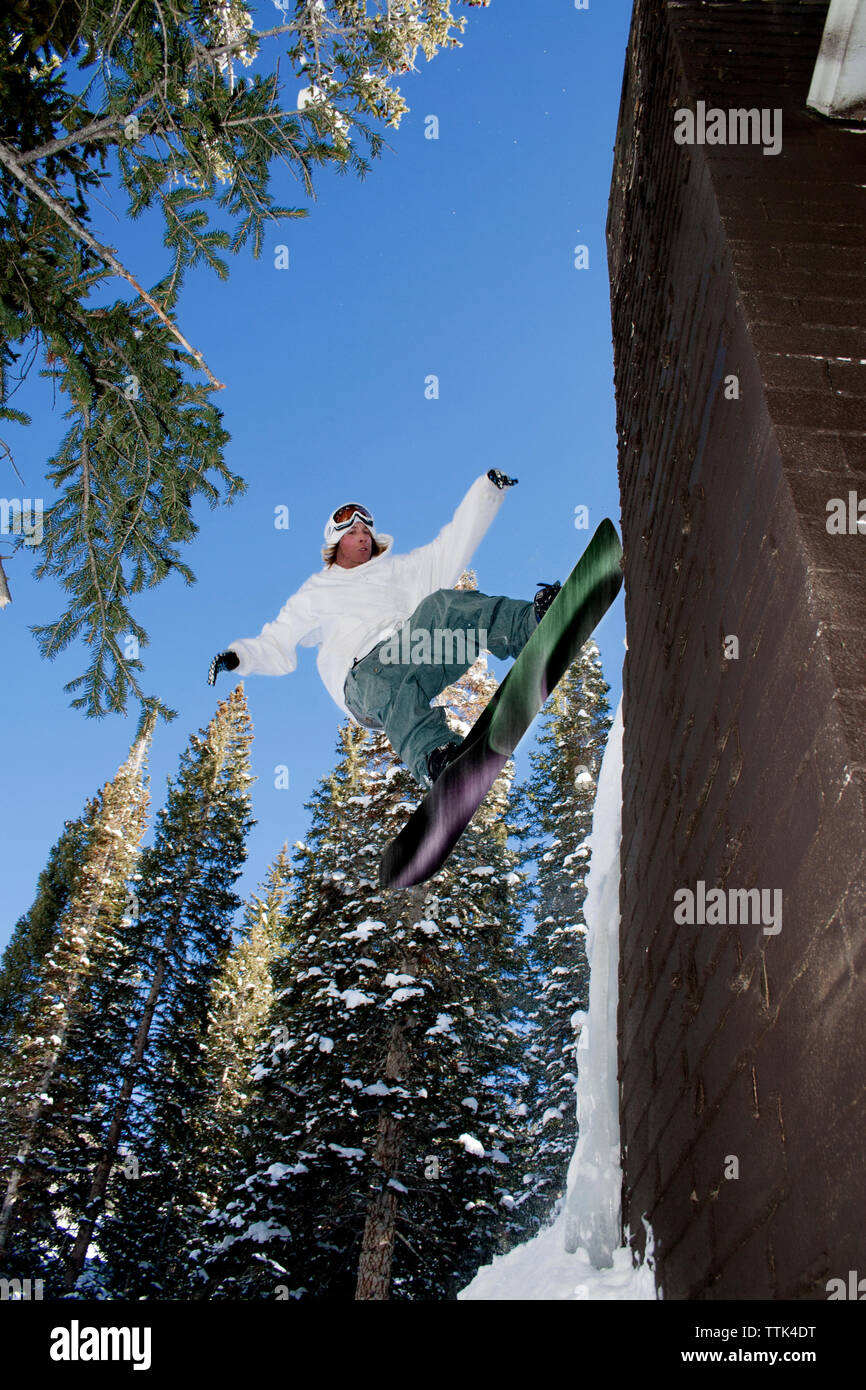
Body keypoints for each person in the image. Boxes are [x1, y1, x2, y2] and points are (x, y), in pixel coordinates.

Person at [208, 470, 560, 788]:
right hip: (362, 676)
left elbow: (451, 545)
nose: (362, 538)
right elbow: (276, 640)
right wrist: (238, 657)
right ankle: (435, 757)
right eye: (352, 532)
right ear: (335, 543)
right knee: (387, 683)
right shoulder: (316, 592)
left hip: (414, 647)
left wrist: (487, 491)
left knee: (445, 605)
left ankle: (530, 626)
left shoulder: (400, 572)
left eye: (366, 531)